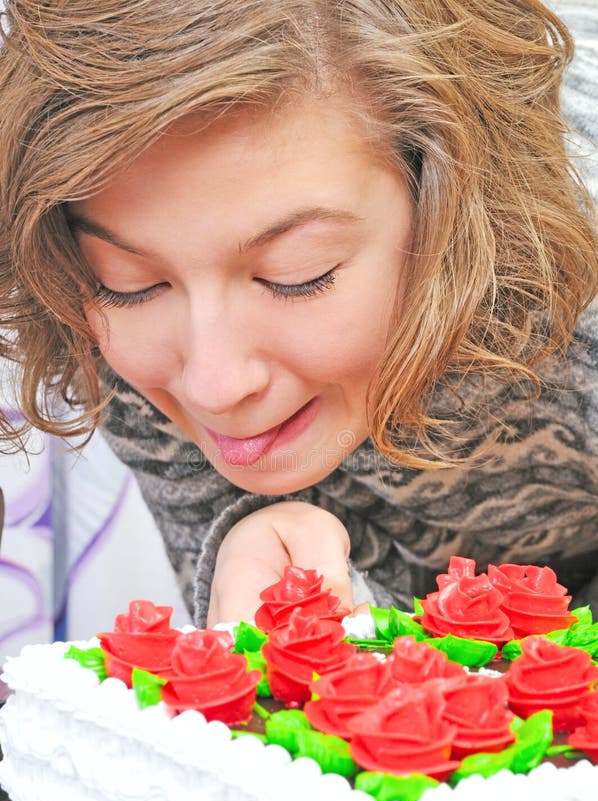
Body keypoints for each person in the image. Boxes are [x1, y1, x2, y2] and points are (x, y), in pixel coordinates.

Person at [0, 0, 596, 629]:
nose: (215, 385)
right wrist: (253, 552)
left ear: (452, 200)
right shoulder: (112, 338)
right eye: (132, 284)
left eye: (296, 275)